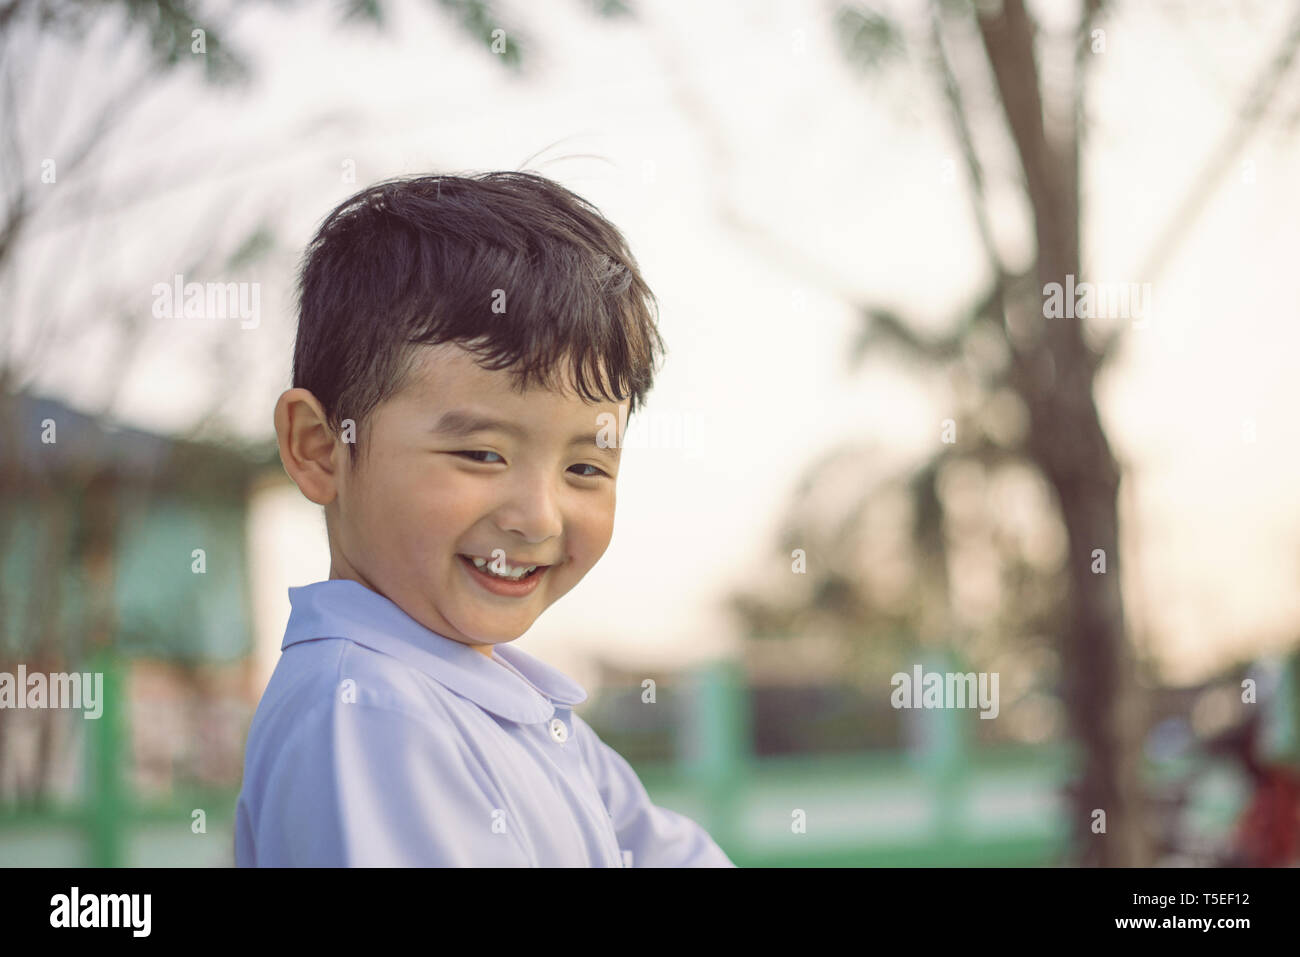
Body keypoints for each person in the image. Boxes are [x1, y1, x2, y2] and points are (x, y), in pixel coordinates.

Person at [234, 172, 735, 867]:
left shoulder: (515, 708)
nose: (538, 518)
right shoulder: (367, 711)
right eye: (481, 454)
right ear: (321, 448)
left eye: (584, 468)